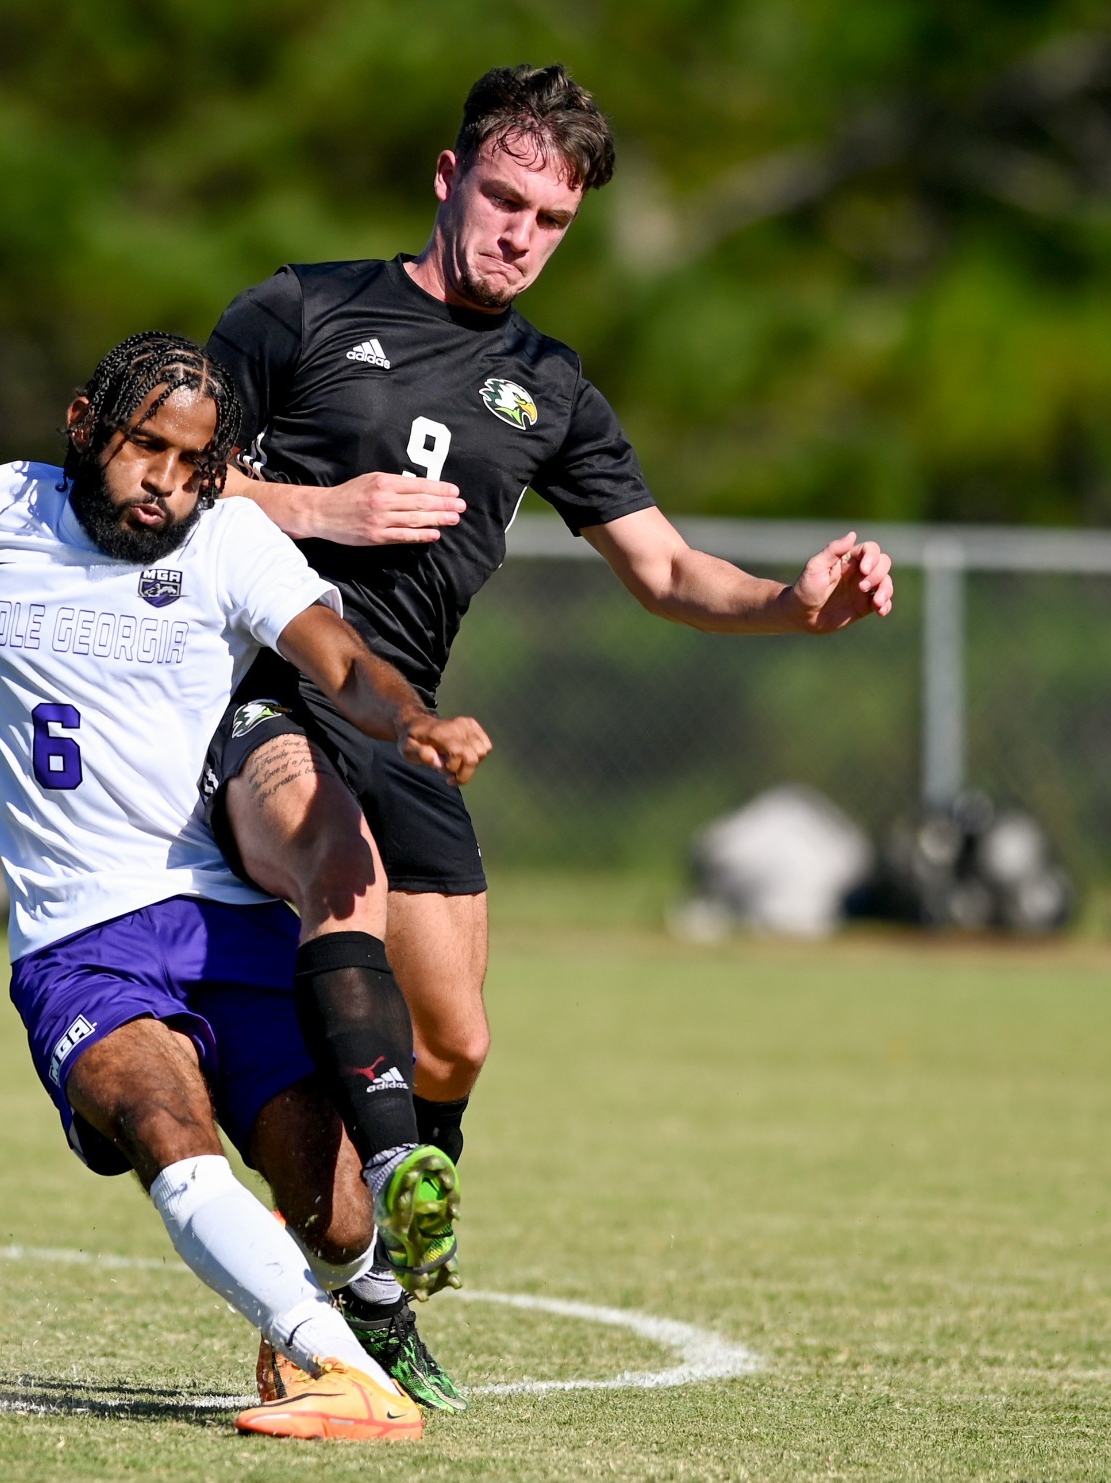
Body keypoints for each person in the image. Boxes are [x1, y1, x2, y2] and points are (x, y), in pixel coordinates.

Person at [203, 63, 896, 1398]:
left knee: (455, 1042)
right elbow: (165, 476)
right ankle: (328, 1297)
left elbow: (671, 574)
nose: (522, 235)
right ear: (447, 178)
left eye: (553, 220)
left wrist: (797, 606)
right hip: (271, 690)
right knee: (335, 880)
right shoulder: (300, 309)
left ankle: (384, 1280)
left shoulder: (550, 387)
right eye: (505, 199)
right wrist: (318, 511)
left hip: (406, 723)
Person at [0, 332, 491, 1439]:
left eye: (195, 462)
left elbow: (337, 656)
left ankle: (344, 1272)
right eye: (149, 447)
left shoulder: (230, 538)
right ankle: (341, 1369)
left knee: (335, 1217)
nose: (167, 483)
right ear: (84, 423)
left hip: (224, 923)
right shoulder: (1, 505)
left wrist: (411, 716)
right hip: (76, 934)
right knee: (159, 1116)